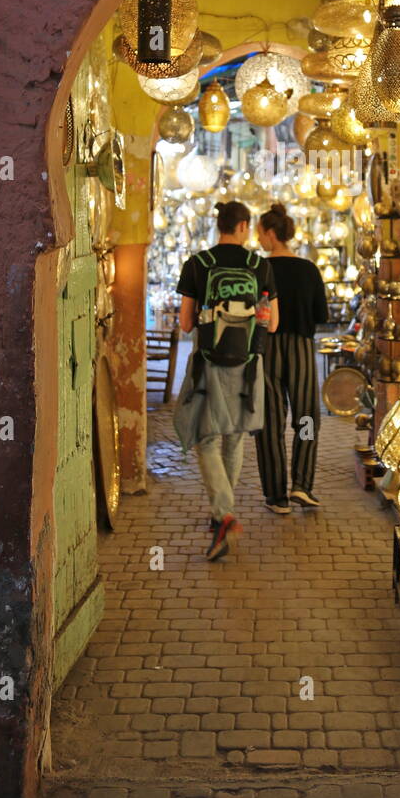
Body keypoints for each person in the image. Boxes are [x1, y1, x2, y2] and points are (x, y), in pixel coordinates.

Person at [173, 199, 279, 561]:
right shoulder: (259, 266)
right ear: (244, 226)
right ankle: (223, 513)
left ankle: (223, 514)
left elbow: (186, 323)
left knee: (206, 439)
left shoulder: (197, 264)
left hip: (209, 366)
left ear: (220, 226)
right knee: (234, 439)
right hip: (248, 367)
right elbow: (273, 323)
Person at [255, 202, 328, 513]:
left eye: (260, 234)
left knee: (269, 424)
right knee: (307, 417)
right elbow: (321, 315)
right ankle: (302, 484)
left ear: (271, 233)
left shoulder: (259, 269)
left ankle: (276, 496)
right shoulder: (308, 270)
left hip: (267, 349)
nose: (259, 240)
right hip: (299, 348)